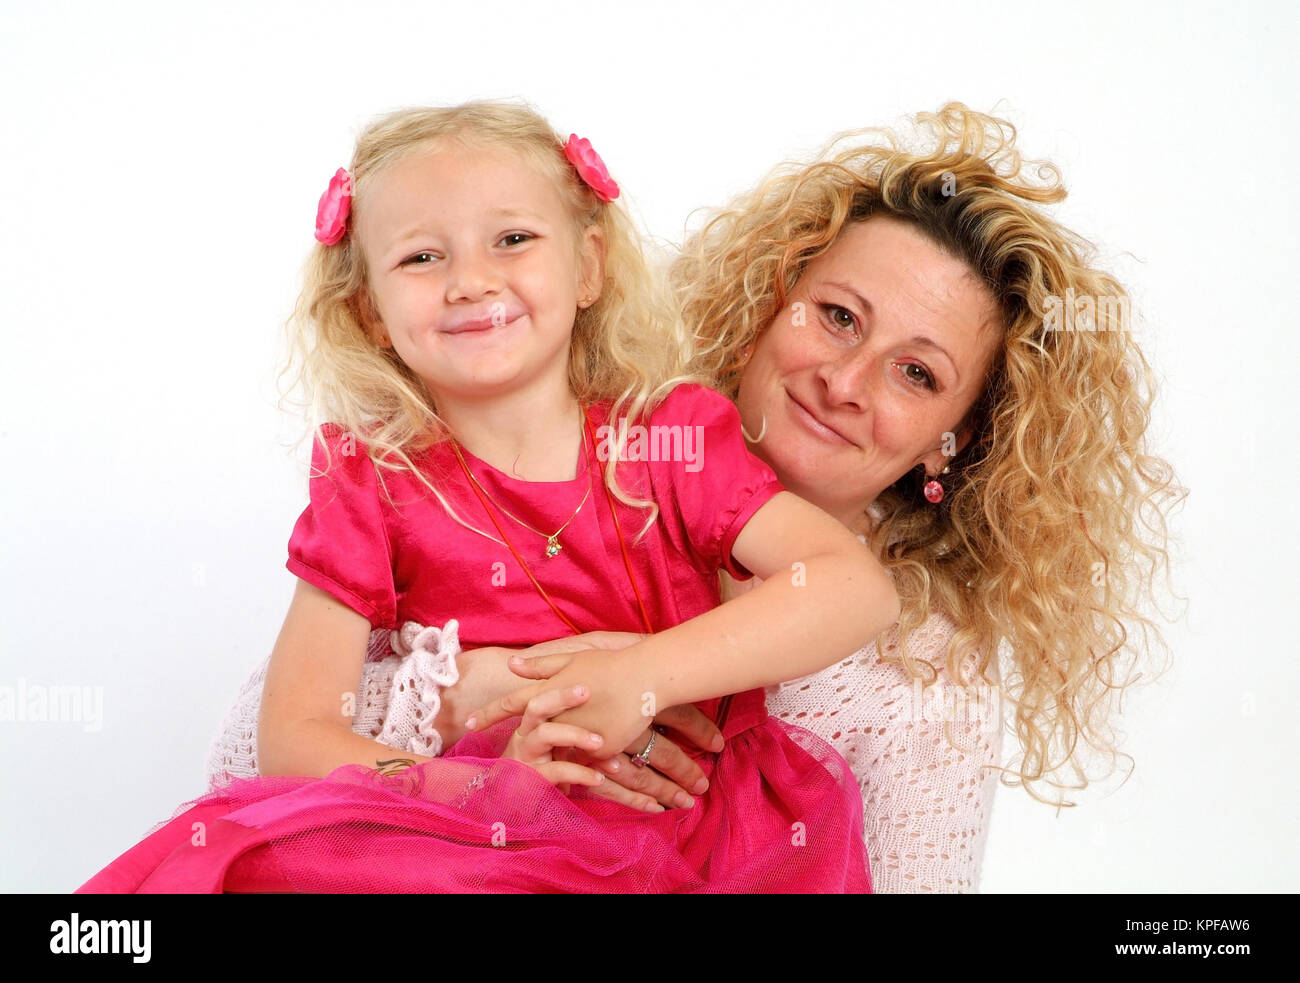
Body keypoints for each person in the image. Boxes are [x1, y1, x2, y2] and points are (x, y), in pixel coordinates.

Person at [304, 103, 1182, 892]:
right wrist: (465, 700)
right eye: (837, 316)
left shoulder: (925, 676)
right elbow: (257, 753)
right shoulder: (593, 448)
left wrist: (635, 677)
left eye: (916, 373)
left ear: (957, 442)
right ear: (773, 296)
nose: (844, 381)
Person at [75, 100, 902, 894]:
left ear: (587, 266)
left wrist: (638, 678)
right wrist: (471, 787)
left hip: (691, 836)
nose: (471, 280)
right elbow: (293, 738)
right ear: (369, 309)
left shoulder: (666, 442)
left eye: (511, 238)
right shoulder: (374, 478)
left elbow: (848, 585)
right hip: (471, 840)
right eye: (421, 257)